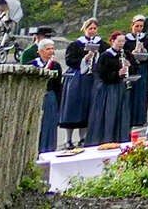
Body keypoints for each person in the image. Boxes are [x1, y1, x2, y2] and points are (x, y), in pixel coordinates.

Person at [85, 24, 133, 145]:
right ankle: (106, 139)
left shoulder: (125, 54)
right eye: (119, 41)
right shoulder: (105, 56)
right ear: (112, 41)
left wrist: (129, 66)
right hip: (109, 89)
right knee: (109, 114)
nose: (121, 44)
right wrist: (117, 73)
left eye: (123, 41)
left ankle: (119, 138)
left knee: (121, 115)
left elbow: (135, 66)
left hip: (121, 88)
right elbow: (102, 74)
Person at [59, 19, 101, 147]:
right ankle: (68, 139)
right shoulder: (75, 45)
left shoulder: (100, 44)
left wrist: (96, 56)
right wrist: (85, 59)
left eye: (94, 28)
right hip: (77, 78)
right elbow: (70, 60)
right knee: (73, 107)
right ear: (85, 29)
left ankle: (83, 138)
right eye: (90, 28)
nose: (92, 31)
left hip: (92, 80)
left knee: (87, 108)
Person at [33, 40, 64, 154]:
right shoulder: (32, 64)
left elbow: (58, 85)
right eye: (48, 49)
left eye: (52, 48)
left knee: (50, 124)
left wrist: (58, 102)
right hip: (36, 96)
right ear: (40, 51)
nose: (51, 51)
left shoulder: (56, 65)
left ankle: (49, 149)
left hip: (50, 97)